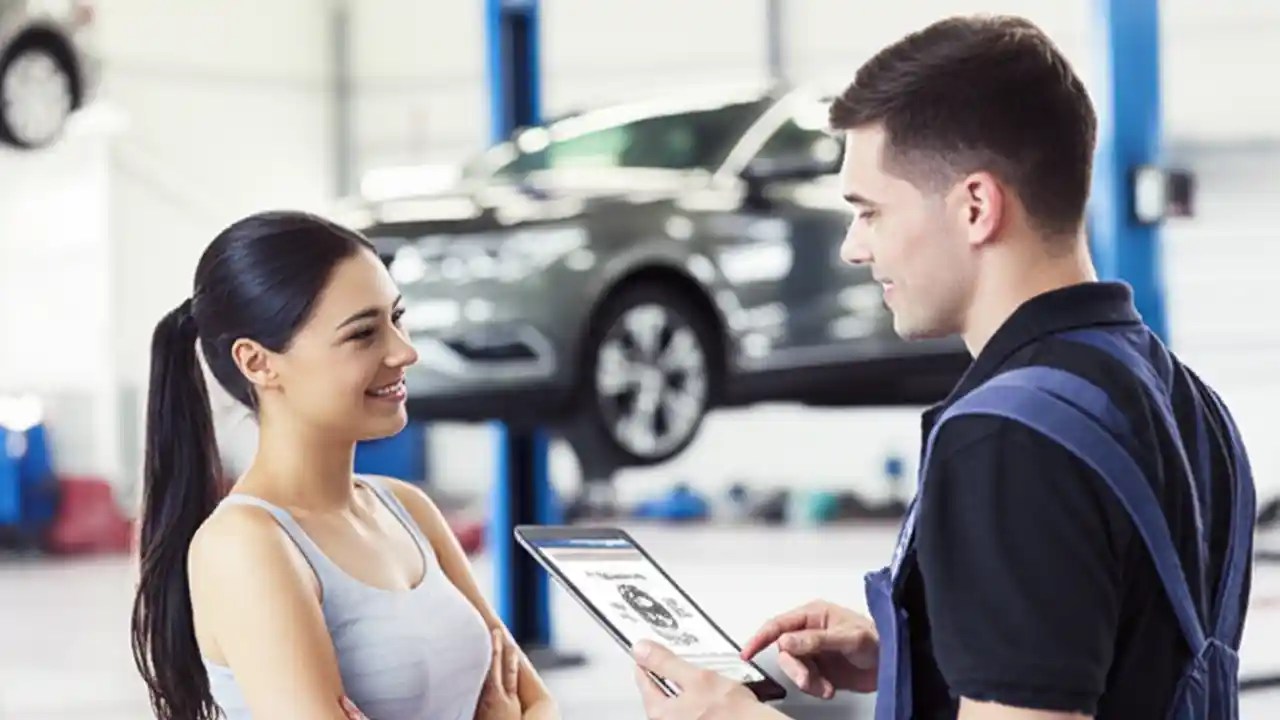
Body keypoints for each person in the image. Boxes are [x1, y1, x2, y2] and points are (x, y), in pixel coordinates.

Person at [630, 14, 1255, 720]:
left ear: (976, 206)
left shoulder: (1011, 437)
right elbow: (1130, 649)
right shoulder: (1185, 401)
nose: (853, 248)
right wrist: (927, 652)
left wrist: (734, 717)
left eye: (870, 212)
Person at [129, 210, 560, 720]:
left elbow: (538, 702)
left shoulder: (407, 508)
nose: (405, 351)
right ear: (258, 362)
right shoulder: (245, 544)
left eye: (396, 318)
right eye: (363, 334)